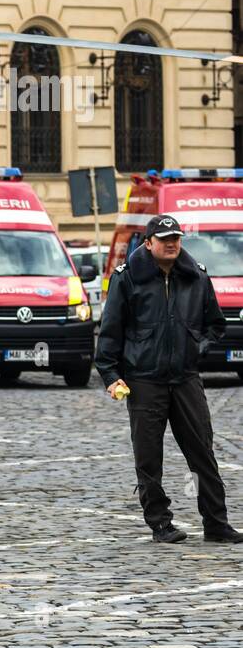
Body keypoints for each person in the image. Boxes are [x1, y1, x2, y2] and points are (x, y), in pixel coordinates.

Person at [96, 214, 243, 544]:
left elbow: (215, 325)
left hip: (186, 378)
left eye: (176, 237)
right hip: (143, 380)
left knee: (202, 452)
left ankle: (216, 523)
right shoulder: (127, 278)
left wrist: (195, 347)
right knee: (148, 457)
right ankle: (160, 523)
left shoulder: (196, 276)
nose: (172, 243)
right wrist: (110, 375)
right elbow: (110, 333)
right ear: (148, 244)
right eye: (164, 239)